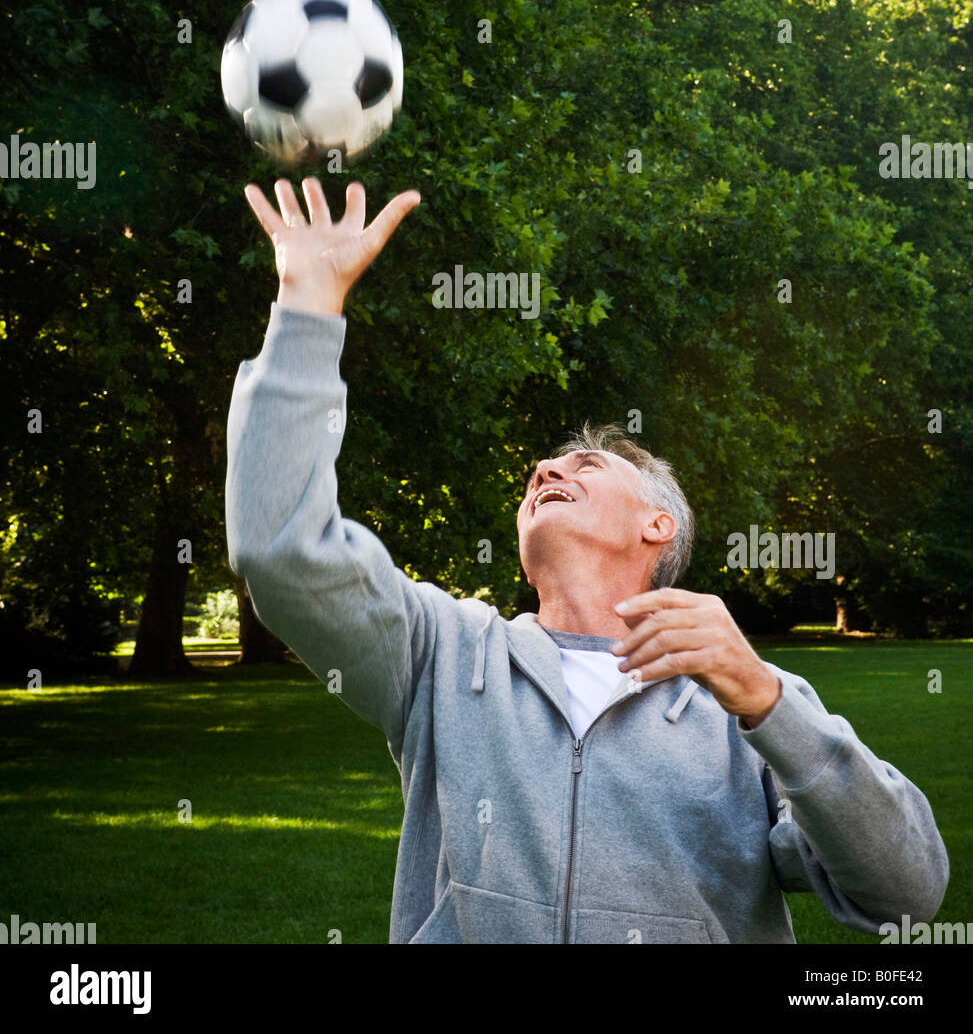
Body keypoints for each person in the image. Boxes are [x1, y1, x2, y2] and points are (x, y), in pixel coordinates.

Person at [225, 177, 949, 945]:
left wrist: (767, 701)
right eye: (540, 471)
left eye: (585, 467)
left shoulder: (742, 709)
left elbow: (906, 894)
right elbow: (280, 546)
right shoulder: (442, 653)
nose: (545, 470)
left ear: (656, 526)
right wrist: (306, 307)